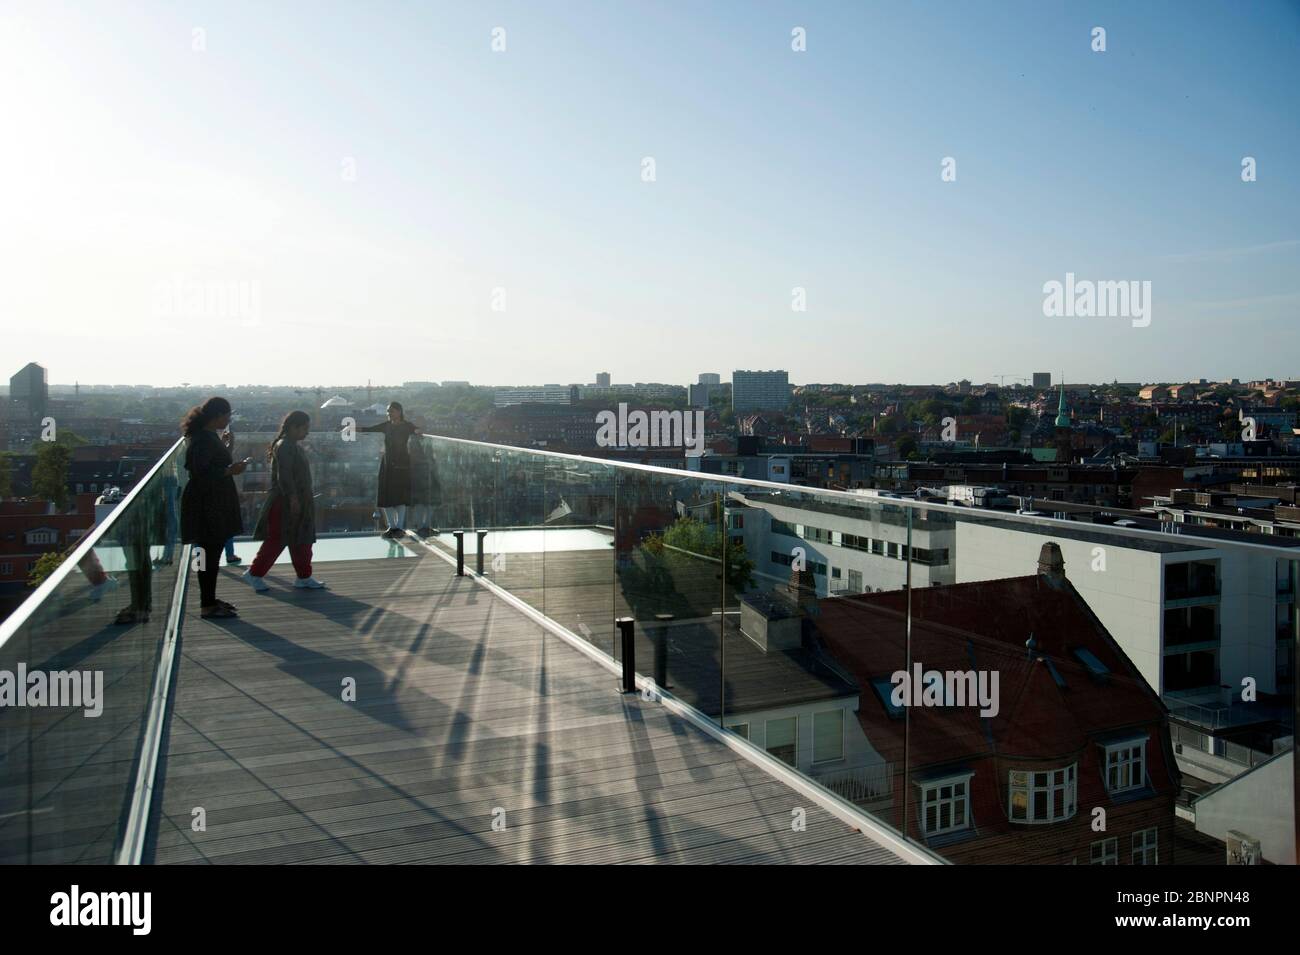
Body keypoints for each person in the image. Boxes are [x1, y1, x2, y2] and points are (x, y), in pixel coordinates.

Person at [243, 410, 326, 591]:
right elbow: (285, 475)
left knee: (301, 540)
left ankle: (304, 576)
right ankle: (254, 573)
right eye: (305, 428)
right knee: (278, 539)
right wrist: (293, 498)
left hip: (295, 500)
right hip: (286, 501)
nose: (307, 432)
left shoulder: (290, 445)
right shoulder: (286, 446)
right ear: (294, 427)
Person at [179, 397, 247, 619]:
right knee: (210, 553)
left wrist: (227, 447)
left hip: (209, 501)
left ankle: (208, 600)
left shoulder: (205, 437)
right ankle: (207, 604)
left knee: (208, 553)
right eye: (227, 416)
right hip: (209, 504)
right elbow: (201, 472)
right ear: (217, 415)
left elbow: (207, 465)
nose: (228, 420)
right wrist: (231, 471)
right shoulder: (204, 440)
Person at [359, 402, 422, 538]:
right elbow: (369, 429)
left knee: (400, 496)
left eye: (391, 411)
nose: (389, 414)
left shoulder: (406, 425)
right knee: (385, 494)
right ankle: (392, 527)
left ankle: (399, 527)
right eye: (388, 411)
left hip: (402, 464)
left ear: (399, 411)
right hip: (387, 463)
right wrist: (351, 429)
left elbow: (416, 430)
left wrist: (417, 431)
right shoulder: (386, 425)